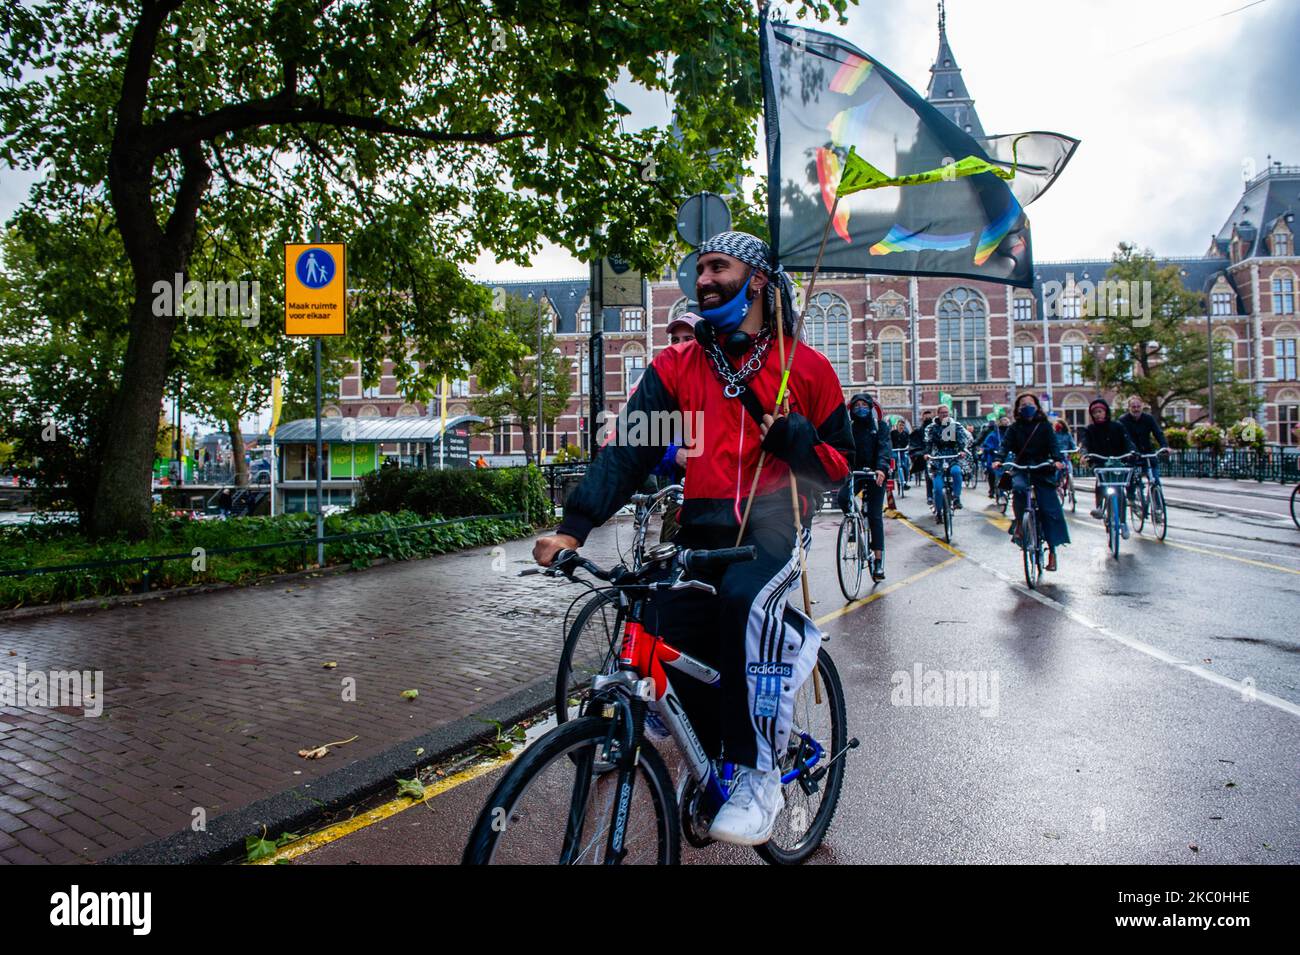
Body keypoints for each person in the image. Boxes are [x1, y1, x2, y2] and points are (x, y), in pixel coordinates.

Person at [531, 231, 853, 846]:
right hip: (701, 525)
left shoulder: (805, 368)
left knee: (744, 605)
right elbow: (627, 451)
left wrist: (798, 443)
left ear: (756, 280)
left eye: (716, 267)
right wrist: (573, 529)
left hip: (773, 526)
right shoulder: (677, 367)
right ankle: (710, 757)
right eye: (698, 270)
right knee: (660, 627)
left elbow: (841, 466)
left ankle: (761, 776)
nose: (702, 280)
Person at [991, 394, 1069, 571]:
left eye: (1030, 404)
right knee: (1018, 488)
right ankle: (1020, 522)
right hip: (1022, 467)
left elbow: (1054, 445)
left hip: (1042, 468)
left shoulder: (1044, 427)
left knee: (1050, 510)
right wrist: (999, 459)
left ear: (1037, 406)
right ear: (1018, 408)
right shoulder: (1014, 428)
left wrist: (1057, 460)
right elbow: (1005, 446)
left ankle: (1052, 553)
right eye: (1023, 405)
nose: (1027, 407)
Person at [836, 393, 891, 581]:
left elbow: (884, 448)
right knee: (843, 498)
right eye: (857, 405)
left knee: (875, 516)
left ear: (870, 407)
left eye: (864, 405)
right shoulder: (848, 429)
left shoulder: (880, 427)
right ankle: (854, 520)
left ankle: (877, 561)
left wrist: (882, 469)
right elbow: (842, 450)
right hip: (856, 473)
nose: (860, 408)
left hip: (876, 474)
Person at [1081, 397, 1137, 537]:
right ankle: (1099, 507)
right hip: (1100, 462)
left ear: (1106, 412)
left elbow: (1127, 440)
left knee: (1120, 492)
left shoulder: (1117, 426)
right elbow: (1085, 444)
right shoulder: (1090, 429)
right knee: (1100, 482)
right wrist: (1085, 454)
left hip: (1118, 462)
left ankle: (1123, 523)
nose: (1098, 415)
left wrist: (1131, 452)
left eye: (1100, 411)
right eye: (1095, 413)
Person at [1117, 396, 1168, 509]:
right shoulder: (1123, 420)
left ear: (1142, 407)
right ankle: (1131, 497)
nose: (1136, 409)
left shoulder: (1148, 419)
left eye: (1138, 406)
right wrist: (1131, 451)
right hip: (1132, 455)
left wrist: (1164, 446)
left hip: (1147, 453)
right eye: (1133, 407)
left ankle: (1158, 507)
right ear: (1129, 408)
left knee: (1155, 479)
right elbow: (1125, 438)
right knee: (1131, 476)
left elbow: (1158, 433)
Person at [924, 403, 971, 521]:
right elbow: (928, 442)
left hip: (953, 456)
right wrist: (927, 453)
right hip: (938, 458)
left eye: (946, 412)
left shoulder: (955, 425)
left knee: (956, 471)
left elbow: (963, 439)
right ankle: (939, 511)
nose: (944, 414)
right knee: (938, 488)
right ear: (937, 414)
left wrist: (961, 450)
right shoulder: (932, 427)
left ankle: (956, 498)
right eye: (942, 412)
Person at [981, 416, 1010, 498]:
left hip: (1007, 457)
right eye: (1004, 420)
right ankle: (992, 489)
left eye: (1007, 420)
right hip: (994, 456)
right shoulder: (993, 434)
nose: (1005, 422)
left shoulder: (1010, 433)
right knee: (992, 472)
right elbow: (986, 444)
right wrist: (990, 449)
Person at [908, 411, 933, 501]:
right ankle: (929, 495)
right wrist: (920, 453)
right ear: (922, 418)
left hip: (937, 454)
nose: (927, 418)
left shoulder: (935, 428)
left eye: (929, 417)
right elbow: (914, 444)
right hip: (925, 455)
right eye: (926, 417)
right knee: (928, 473)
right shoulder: (919, 431)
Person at [889, 418, 911, 488]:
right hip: (894, 451)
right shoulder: (892, 433)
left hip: (902, 452)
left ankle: (905, 482)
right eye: (900, 425)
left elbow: (908, 443)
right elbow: (889, 442)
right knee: (892, 466)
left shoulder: (906, 434)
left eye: (903, 425)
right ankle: (891, 482)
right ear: (897, 425)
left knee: (905, 465)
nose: (901, 427)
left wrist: (908, 447)